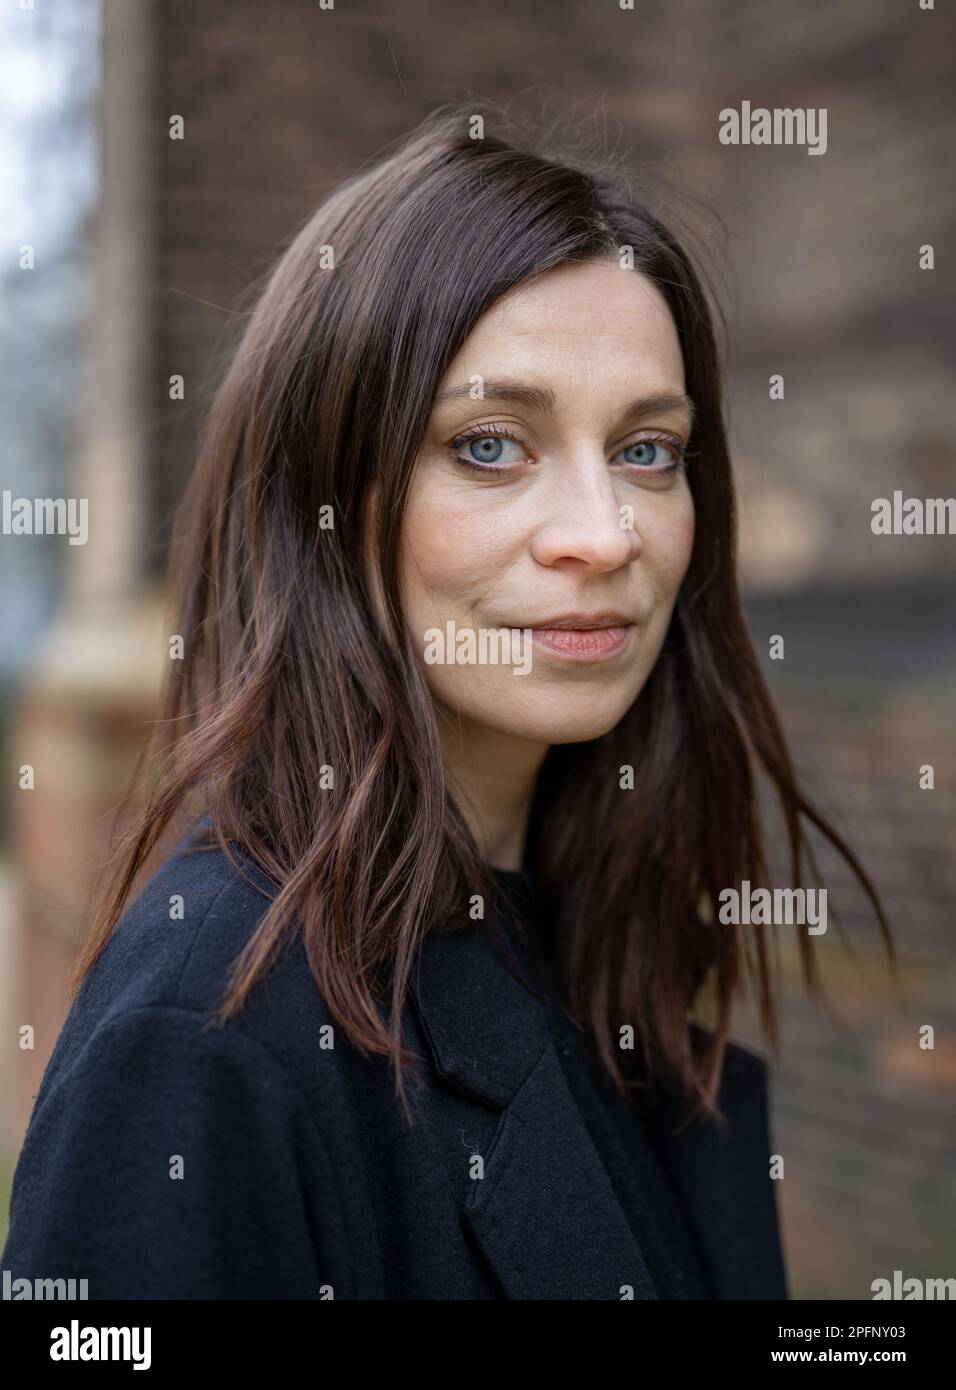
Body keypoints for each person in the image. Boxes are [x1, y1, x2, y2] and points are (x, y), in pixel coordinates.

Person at [1, 104, 892, 1300]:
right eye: (489, 445)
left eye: (646, 450)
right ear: (325, 498)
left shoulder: (598, 944)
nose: (602, 534)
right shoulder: (209, 1029)